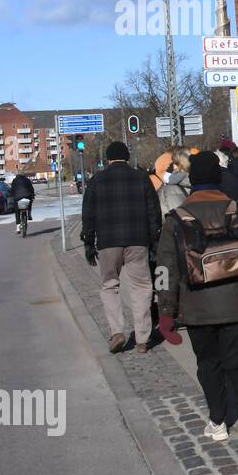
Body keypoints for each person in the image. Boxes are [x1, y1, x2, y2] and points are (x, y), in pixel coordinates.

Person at [155, 151, 238, 448]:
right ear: (219, 178)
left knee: (209, 364)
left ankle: (218, 421)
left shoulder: (177, 218)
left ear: (192, 180)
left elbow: (163, 267)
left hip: (198, 306)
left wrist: (165, 311)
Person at [81, 140, 162, 355]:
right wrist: (154, 241)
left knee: (109, 286)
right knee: (142, 287)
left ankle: (117, 331)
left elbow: (88, 215)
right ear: (127, 157)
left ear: (108, 159)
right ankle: (143, 338)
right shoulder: (142, 179)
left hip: (107, 242)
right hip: (138, 240)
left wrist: (89, 242)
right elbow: (154, 213)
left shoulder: (96, 180)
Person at [159, 148, 192, 215]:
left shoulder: (181, 173)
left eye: (174, 162)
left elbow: (170, 180)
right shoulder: (191, 173)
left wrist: (173, 171)